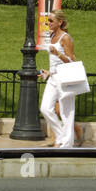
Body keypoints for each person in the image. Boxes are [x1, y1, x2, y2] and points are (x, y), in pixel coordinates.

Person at [39, 9, 77, 148]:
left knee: (67, 112)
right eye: (48, 20)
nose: (48, 23)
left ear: (59, 22)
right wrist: (49, 72)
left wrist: (58, 54)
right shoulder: (52, 35)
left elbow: (72, 61)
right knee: (45, 108)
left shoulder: (65, 38)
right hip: (53, 77)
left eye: (51, 21)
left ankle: (66, 144)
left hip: (65, 78)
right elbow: (55, 62)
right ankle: (61, 136)